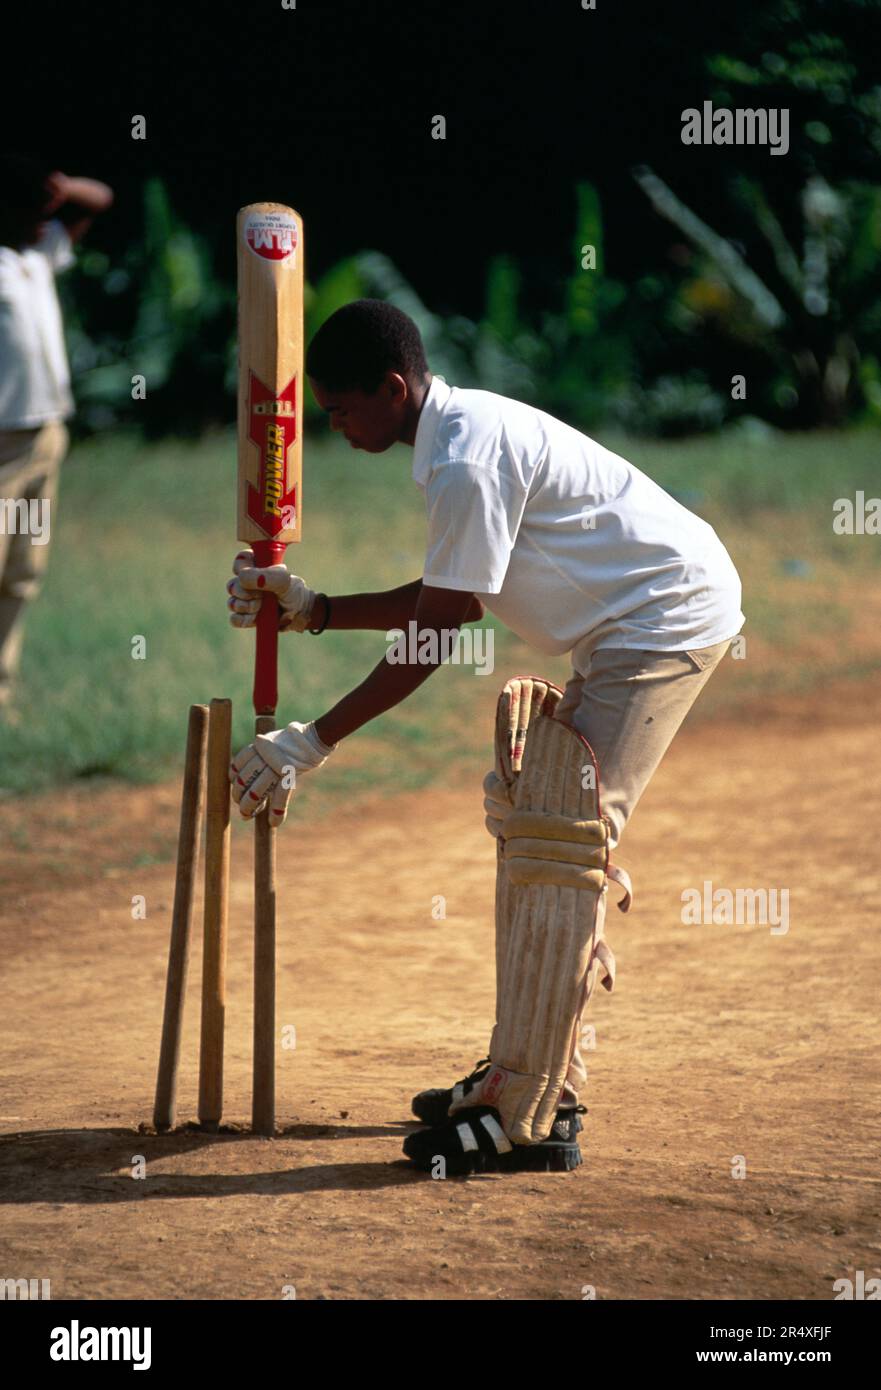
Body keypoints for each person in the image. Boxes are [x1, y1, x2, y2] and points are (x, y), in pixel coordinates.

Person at [226, 298, 744, 1175]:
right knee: (536, 827)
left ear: (393, 389)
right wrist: (314, 610)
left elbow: (439, 632)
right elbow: (449, 592)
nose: (338, 427)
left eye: (344, 409)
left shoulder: (465, 457)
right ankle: (527, 1071)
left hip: (662, 621)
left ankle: (527, 1113)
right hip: (625, 628)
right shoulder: (456, 442)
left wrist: (313, 740)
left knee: (562, 839)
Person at [0, 155, 113, 713]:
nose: (45, 216)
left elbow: (100, 198)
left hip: (43, 441)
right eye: (31, 205)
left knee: (23, 571)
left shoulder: (37, 253)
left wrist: (60, 186)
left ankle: (3, 688)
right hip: (1, 446)